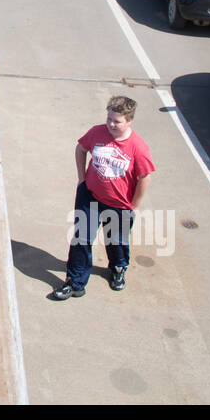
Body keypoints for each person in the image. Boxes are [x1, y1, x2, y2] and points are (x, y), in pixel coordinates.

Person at [51, 96, 155, 299]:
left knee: (116, 240)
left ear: (129, 121)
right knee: (81, 239)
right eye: (109, 119)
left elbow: (144, 178)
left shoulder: (138, 147)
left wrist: (134, 205)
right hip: (90, 197)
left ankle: (117, 269)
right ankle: (75, 282)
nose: (111, 124)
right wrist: (82, 179)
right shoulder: (97, 132)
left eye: (117, 121)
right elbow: (81, 149)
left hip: (120, 205)